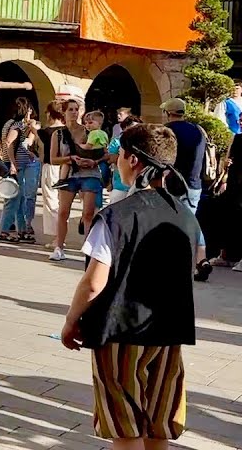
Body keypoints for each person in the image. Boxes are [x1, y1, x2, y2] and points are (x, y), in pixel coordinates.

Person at [61, 124, 197, 449]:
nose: (116, 160)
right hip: (168, 331)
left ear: (133, 160)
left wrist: (70, 321)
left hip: (120, 331)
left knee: (125, 424)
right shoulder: (185, 215)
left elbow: (93, 283)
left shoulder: (115, 216)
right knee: (157, 423)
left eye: (120, 154)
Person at [49, 99, 104, 262]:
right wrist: (70, 158)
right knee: (63, 212)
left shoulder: (89, 131)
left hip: (90, 173)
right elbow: (53, 159)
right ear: (64, 112)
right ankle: (59, 247)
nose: (74, 112)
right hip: (69, 174)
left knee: (88, 213)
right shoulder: (58, 134)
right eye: (70, 109)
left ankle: (88, 248)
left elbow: (104, 153)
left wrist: (95, 161)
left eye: (76, 109)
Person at [161, 98, 209, 274]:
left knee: (169, 222)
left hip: (173, 182)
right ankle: (201, 259)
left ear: (168, 112)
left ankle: (174, 260)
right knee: (191, 221)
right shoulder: (198, 130)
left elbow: (163, 158)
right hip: (194, 183)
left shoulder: (168, 130)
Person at [211, 109, 242, 276]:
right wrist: (226, 163)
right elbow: (226, 160)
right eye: (240, 120)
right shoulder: (237, 139)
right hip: (233, 185)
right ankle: (226, 255)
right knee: (228, 220)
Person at [0, 97, 41, 244]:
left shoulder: (9, 123)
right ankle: (3, 231)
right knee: (13, 199)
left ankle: (21, 230)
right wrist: (13, 164)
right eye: (28, 109)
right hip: (16, 165)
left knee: (19, 198)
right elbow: (9, 142)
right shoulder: (16, 125)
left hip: (14, 164)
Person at [37, 101, 66, 239]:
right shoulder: (68, 130)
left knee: (51, 200)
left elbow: (42, 150)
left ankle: (57, 237)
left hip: (52, 167)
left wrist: (33, 131)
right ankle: (60, 235)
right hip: (66, 166)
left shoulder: (45, 132)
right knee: (63, 201)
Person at [105, 116, 141, 205]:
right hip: (120, 186)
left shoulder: (143, 143)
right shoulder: (117, 141)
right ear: (125, 129)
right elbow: (111, 158)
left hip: (139, 186)